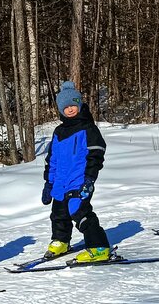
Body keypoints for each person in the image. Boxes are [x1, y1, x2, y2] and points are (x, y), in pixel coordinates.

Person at [42, 81, 113, 263]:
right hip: (60, 182)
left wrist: (89, 179)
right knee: (58, 214)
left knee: (80, 212)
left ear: (79, 105)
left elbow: (96, 154)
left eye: (73, 105)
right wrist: (49, 183)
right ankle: (61, 241)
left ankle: (99, 248)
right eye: (66, 107)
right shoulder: (58, 132)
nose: (71, 109)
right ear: (60, 109)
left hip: (79, 181)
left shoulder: (88, 128)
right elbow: (52, 160)